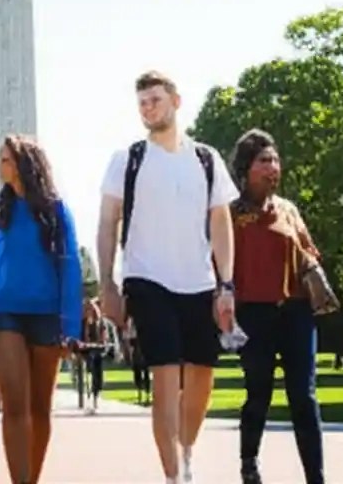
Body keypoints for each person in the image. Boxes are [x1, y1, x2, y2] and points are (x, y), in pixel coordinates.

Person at [97, 70, 237, 484]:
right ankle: (174, 476)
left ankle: (186, 448)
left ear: (176, 101)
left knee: (201, 376)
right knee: (164, 376)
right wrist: (107, 282)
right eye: (142, 102)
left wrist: (226, 284)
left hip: (197, 281)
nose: (148, 108)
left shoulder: (206, 159)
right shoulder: (128, 160)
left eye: (155, 100)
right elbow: (108, 222)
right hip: (146, 278)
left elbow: (221, 222)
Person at [0, 134, 83, 484]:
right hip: (5, 313)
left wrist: (71, 325)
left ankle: (33, 478)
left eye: (5, 159)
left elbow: (70, 265)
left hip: (47, 316)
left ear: (24, 164)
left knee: (40, 409)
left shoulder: (57, 211)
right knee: (14, 406)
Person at [229, 129, 325, 484]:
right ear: (245, 169)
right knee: (259, 394)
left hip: (296, 311)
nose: (272, 167)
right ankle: (249, 463)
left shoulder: (288, 209)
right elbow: (220, 263)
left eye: (275, 160)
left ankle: (316, 477)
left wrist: (314, 269)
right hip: (254, 314)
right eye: (263, 161)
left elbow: (308, 250)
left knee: (304, 397)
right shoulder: (230, 213)